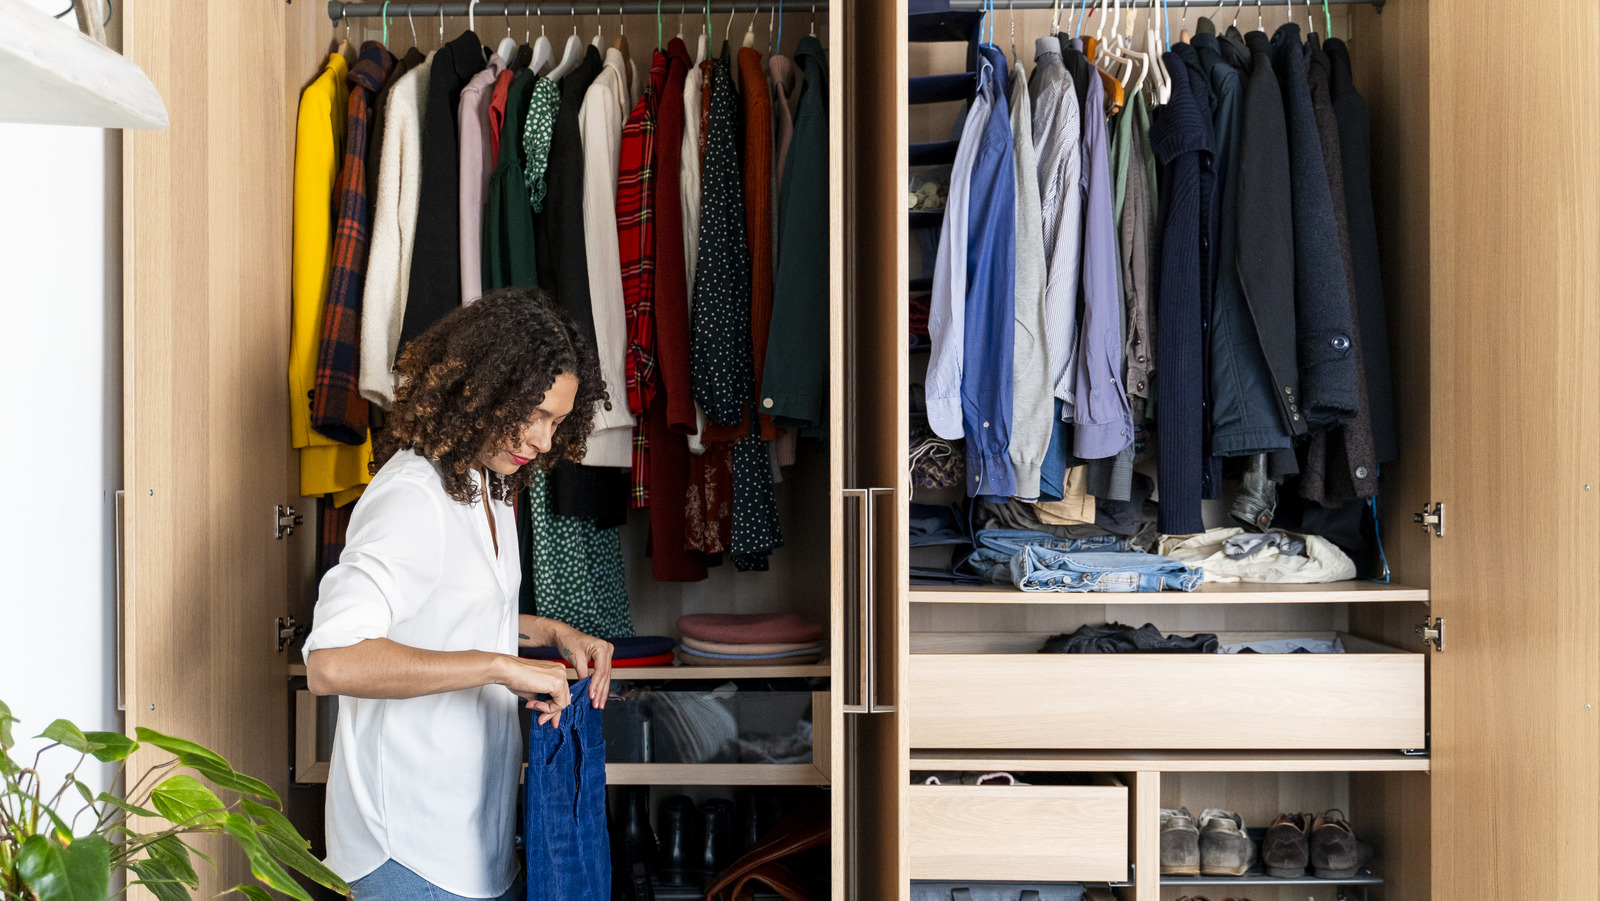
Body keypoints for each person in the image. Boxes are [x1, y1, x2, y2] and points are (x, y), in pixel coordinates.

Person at [303, 288, 617, 900]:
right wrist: (501, 667)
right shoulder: (412, 496)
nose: (546, 440)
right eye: (537, 415)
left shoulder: (484, 484)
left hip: (472, 839)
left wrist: (554, 634)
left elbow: (455, 606)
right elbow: (332, 661)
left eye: (557, 420)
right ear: (484, 390)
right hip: (406, 846)